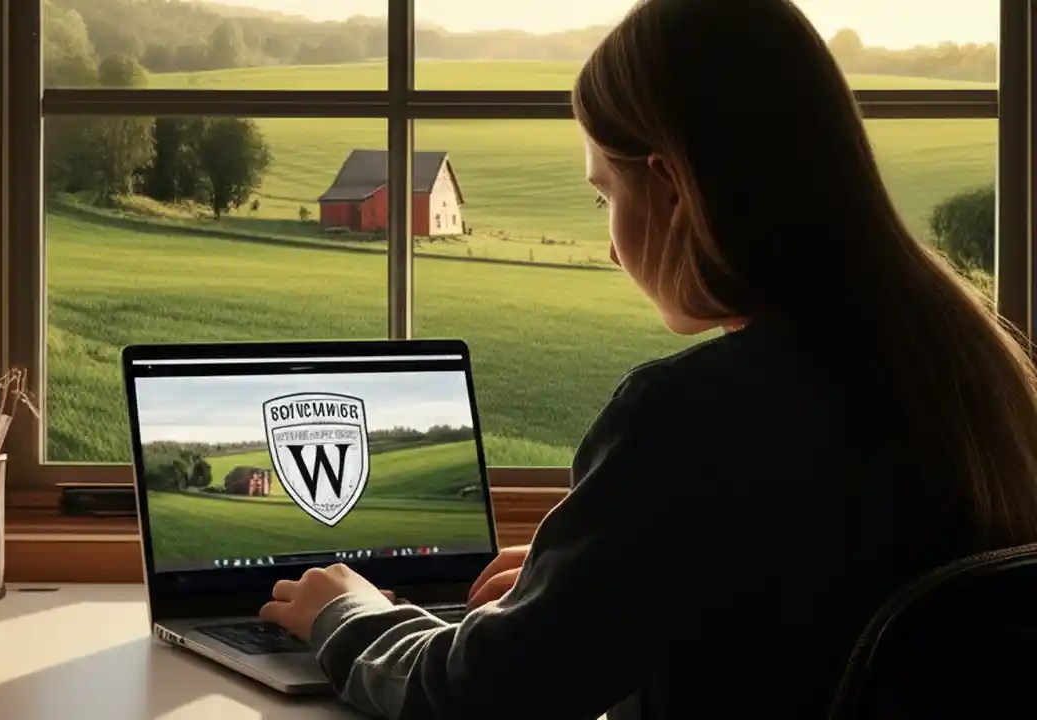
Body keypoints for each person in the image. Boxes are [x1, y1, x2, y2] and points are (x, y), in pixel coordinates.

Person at [258, 0, 1037, 717]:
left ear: (670, 190)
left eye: (606, 195)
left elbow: (480, 699)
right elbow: (822, 581)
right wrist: (599, 571)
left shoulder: (690, 420)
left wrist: (350, 616)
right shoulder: (977, 371)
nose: (608, 240)